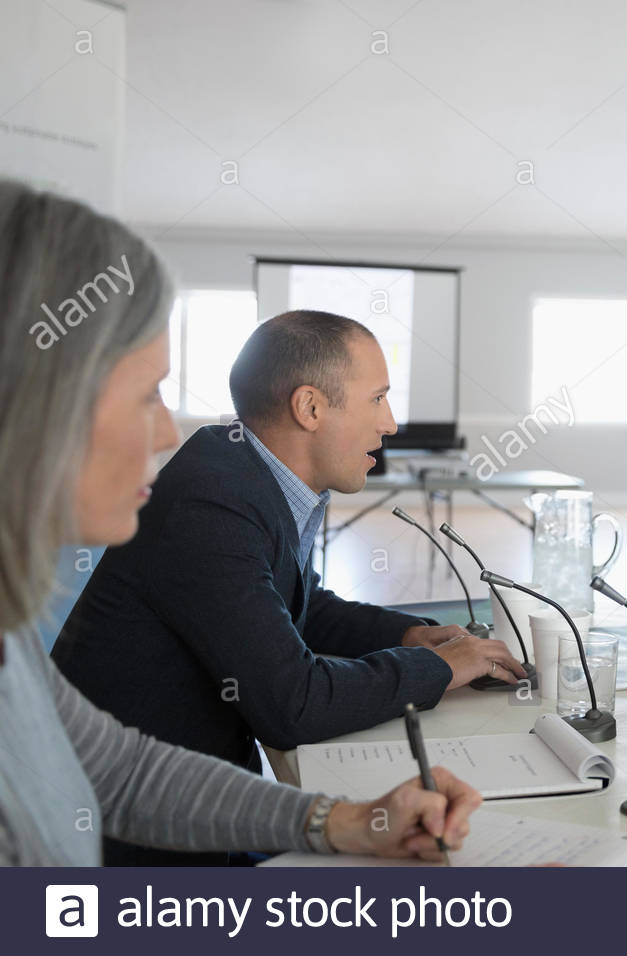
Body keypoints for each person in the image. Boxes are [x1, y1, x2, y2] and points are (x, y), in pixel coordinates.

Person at [0, 181, 480, 865]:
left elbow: (122, 773)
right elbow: (292, 701)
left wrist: (346, 822)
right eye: (145, 393)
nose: (166, 429)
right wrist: (432, 665)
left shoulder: (8, 639)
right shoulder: (211, 499)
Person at [51, 309, 526, 864]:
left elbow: (297, 603)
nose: (391, 422)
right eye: (377, 398)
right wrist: (443, 668)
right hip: (135, 845)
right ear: (310, 408)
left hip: (197, 799)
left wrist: (407, 634)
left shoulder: (245, 471)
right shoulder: (213, 502)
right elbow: (292, 702)